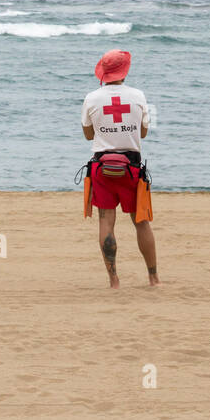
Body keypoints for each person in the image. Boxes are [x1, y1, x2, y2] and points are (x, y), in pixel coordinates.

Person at [81, 50, 159, 288]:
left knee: (106, 221)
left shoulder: (91, 98)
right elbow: (143, 133)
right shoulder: (138, 96)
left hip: (102, 169)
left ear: (104, 72)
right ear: (125, 70)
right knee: (141, 222)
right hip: (131, 169)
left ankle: (114, 280)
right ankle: (153, 278)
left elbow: (88, 135)